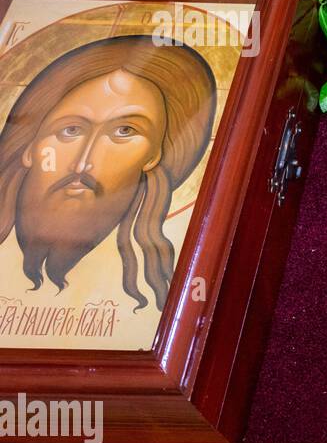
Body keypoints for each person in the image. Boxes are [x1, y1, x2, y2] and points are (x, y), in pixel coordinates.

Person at [0, 36, 216, 312]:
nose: (83, 164)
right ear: (30, 147)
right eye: (71, 130)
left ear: (154, 156)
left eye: (124, 131)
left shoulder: (150, 278)